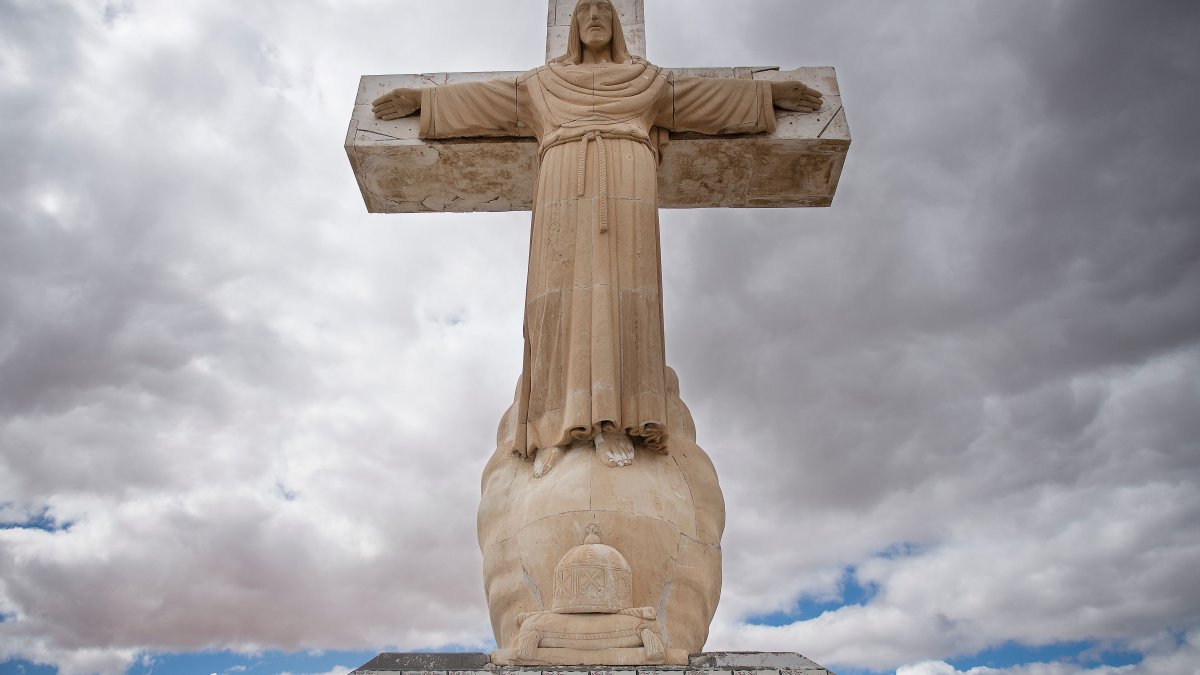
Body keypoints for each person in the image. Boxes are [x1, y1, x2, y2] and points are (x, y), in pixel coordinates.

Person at [373, 0, 822, 477]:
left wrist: (767, 94)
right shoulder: (542, 85)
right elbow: (486, 100)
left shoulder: (647, 82)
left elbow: (705, 97)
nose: (593, 16)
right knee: (555, 303)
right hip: (563, 184)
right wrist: (425, 102)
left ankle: (617, 422)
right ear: (572, 24)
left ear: (615, 24)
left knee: (627, 300)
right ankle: (550, 429)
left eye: (602, 9)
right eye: (583, 9)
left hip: (627, 187)